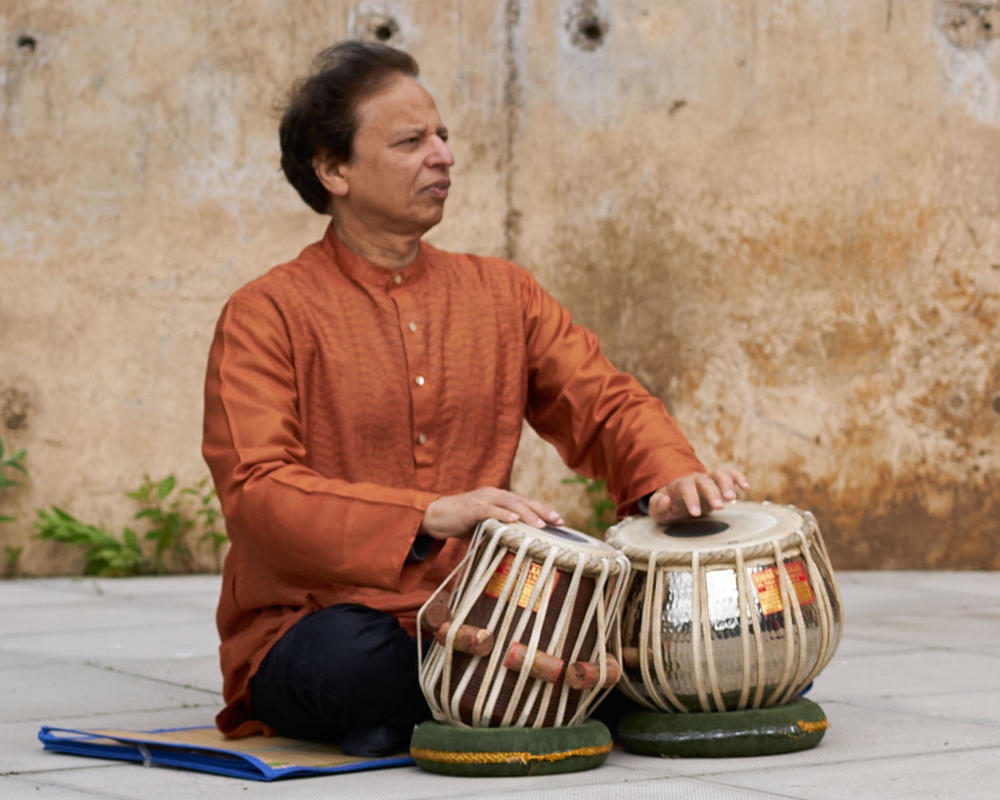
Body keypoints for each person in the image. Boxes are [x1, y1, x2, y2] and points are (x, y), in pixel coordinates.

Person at [202, 40, 749, 756]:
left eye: (443, 136)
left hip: (489, 609)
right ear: (333, 168)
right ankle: (517, 695)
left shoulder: (502, 293)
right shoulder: (267, 312)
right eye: (410, 141)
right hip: (325, 619)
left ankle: (465, 701)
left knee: (664, 622)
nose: (443, 156)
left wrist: (667, 479)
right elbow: (257, 491)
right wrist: (427, 514)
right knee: (350, 659)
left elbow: (605, 403)